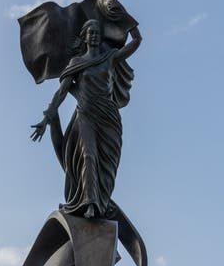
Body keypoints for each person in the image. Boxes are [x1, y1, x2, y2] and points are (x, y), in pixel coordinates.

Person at [30, 19, 142, 219]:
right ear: (84, 36)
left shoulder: (110, 58)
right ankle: (89, 202)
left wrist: (128, 22)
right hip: (86, 115)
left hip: (108, 117)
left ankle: (101, 201)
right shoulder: (76, 63)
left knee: (107, 165)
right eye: (90, 32)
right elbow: (61, 92)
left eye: (97, 32)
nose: (94, 35)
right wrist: (46, 118)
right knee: (88, 156)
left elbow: (136, 42)